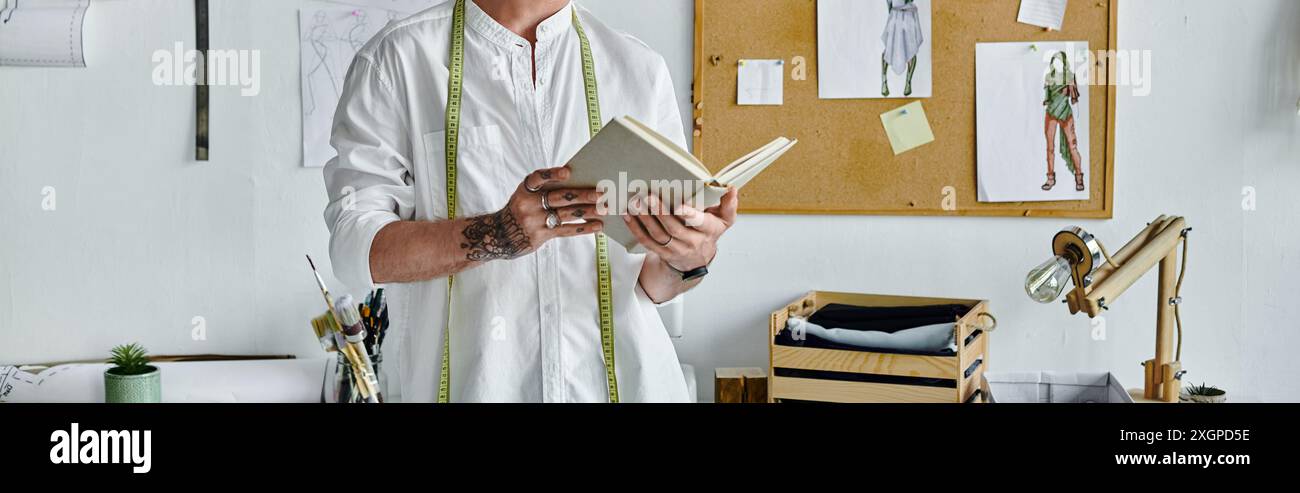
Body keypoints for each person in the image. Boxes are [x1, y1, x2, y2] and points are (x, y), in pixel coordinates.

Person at [322, 0, 737, 402]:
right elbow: (355, 250)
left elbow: (650, 286)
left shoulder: (639, 69)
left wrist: (687, 257)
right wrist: (497, 234)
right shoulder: (396, 62)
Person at [1042, 51, 1085, 192]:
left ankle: (1079, 177)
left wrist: (1071, 87)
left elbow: (1074, 98)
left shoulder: (1070, 76)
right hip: (1051, 114)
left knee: (1073, 147)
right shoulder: (1049, 77)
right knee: (1050, 148)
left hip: (1066, 114)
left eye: (1060, 62)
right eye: (1055, 62)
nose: (1057, 64)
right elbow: (1047, 96)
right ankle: (1050, 179)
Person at [880, 0, 923, 97]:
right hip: (895, 14)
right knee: (889, 48)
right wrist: (891, 12)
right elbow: (889, 3)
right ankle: (884, 81)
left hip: (909, 14)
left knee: (911, 49)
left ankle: (908, 82)